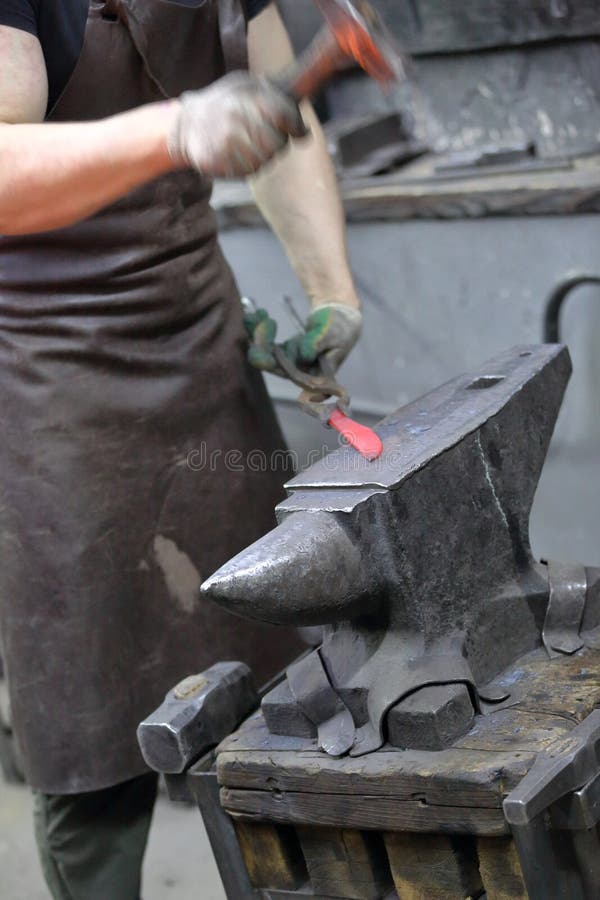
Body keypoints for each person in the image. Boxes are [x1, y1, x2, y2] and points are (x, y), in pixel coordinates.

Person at [0, 1, 362, 898]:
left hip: (195, 327)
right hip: (45, 366)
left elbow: (284, 108)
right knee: (93, 712)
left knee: (276, 665)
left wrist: (331, 291)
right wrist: (177, 126)